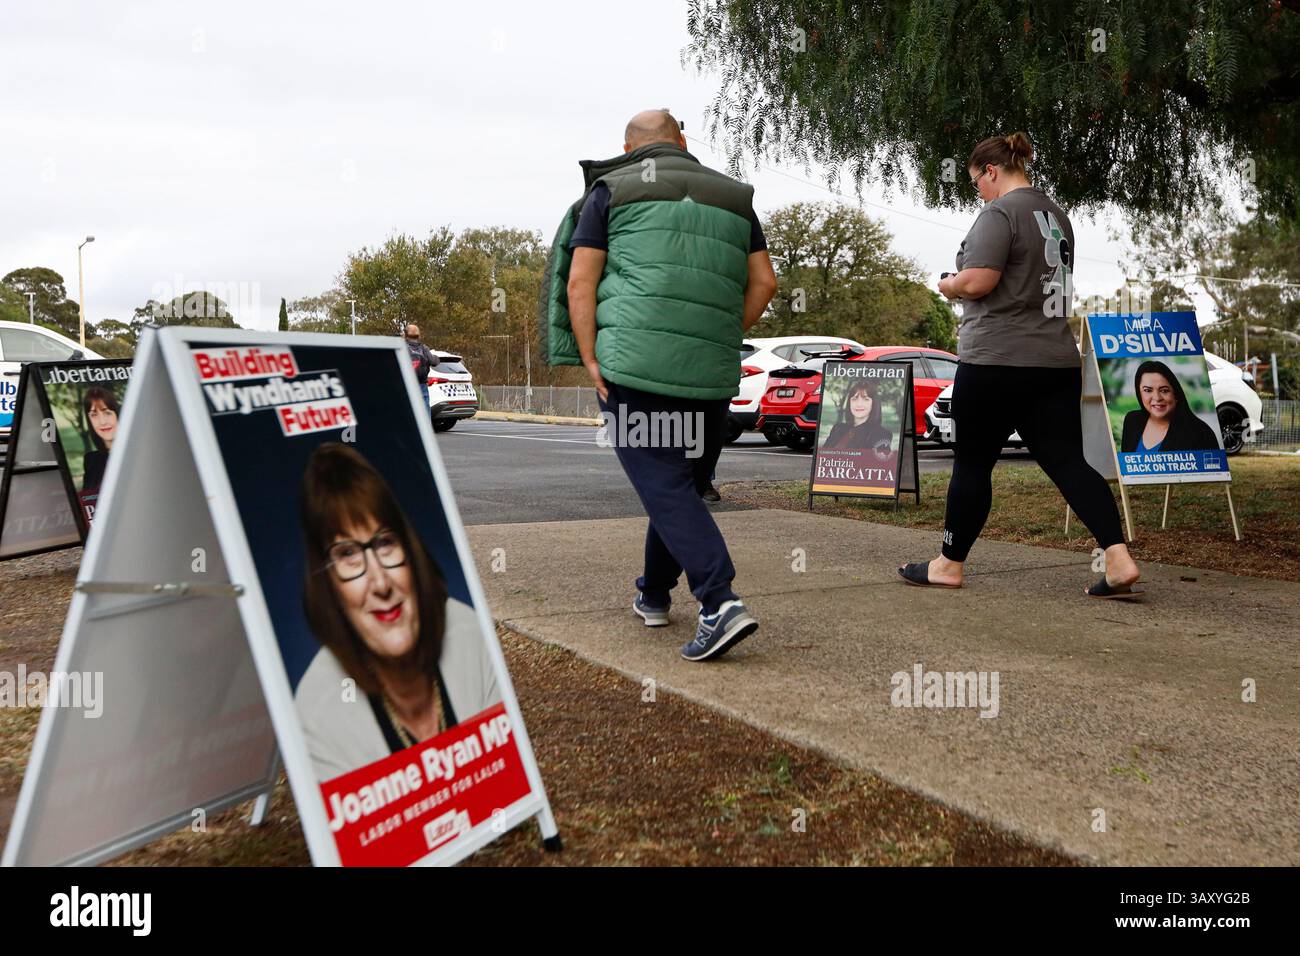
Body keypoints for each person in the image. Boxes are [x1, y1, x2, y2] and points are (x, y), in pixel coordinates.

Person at [557, 108, 779, 660]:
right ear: (682, 141)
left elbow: (581, 278)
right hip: (708, 373)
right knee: (679, 484)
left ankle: (719, 601)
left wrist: (589, 356)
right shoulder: (734, 195)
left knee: (665, 486)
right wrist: (721, 334)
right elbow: (765, 283)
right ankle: (653, 594)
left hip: (634, 368)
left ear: (629, 149)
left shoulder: (611, 190)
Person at [897, 132, 1143, 600]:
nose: (979, 192)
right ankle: (1117, 557)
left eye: (976, 183)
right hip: (1054, 361)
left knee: (972, 464)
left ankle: (948, 564)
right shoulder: (1057, 215)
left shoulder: (999, 212)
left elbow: (981, 280)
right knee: (1069, 461)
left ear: (992, 170)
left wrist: (949, 284)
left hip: (996, 360)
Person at [293, 443, 500, 782]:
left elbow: (498, 786)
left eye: (385, 543)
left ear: (410, 548)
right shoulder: (319, 710)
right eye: (347, 554)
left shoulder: (470, 635)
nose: (379, 582)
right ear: (327, 583)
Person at [1120, 360, 1220, 453]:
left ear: (1175, 394)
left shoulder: (1201, 433)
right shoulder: (1132, 421)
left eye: (1164, 390)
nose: (1157, 397)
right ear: (1139, 393)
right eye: (1148, 390)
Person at [822, 381, 892, 453]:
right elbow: (823, 455)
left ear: (874, 404)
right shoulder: (838, 429)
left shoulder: (880, 434)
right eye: (854, 399)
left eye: (865, 399)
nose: (859, 404)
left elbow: (875, 463)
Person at [79, 386, 120, 495]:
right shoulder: (91, 460)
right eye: (94, 415)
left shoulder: (140, 452)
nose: (102, 422)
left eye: (107, 413)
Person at [404, 324, 436, 417]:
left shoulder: (402, 347)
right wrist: (437, 358)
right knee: (425, 410)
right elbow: (433, 361)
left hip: (406, 384)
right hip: (422, 384)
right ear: (419, 335)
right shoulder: (424, 348)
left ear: (405, 335)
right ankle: (426, 430)